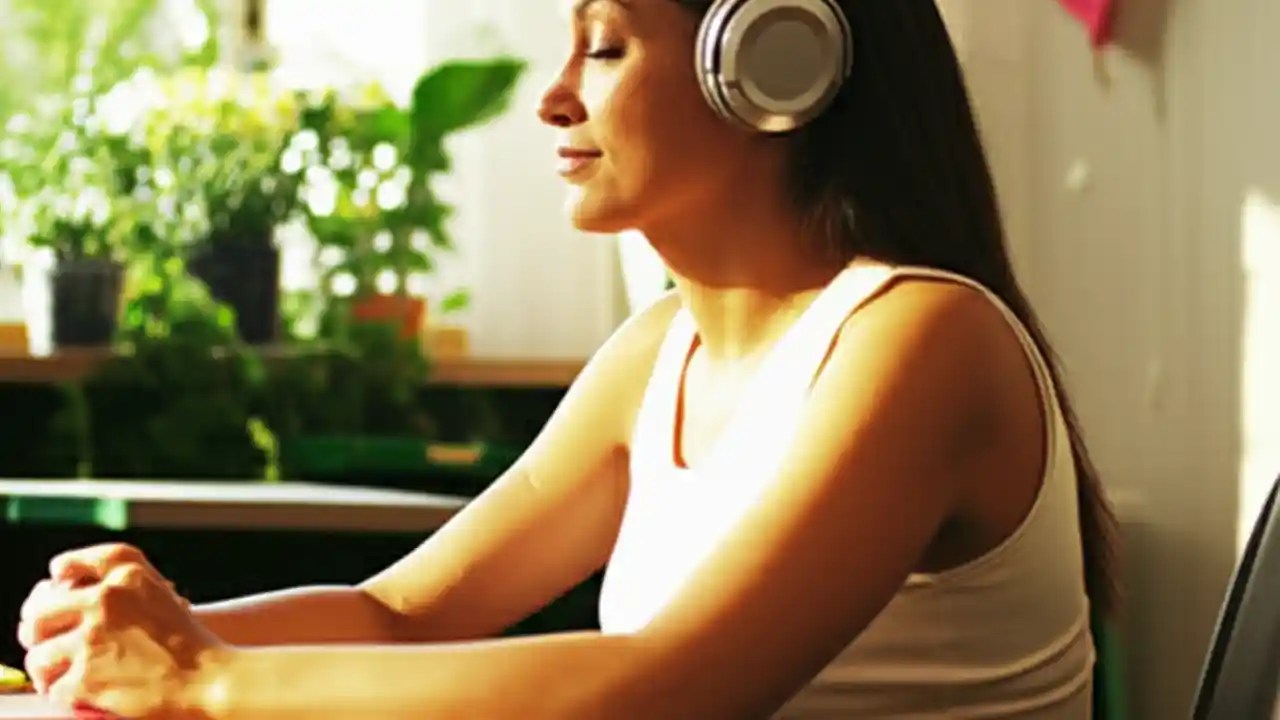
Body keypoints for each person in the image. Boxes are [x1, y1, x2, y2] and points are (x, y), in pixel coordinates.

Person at [16, 0, 1120, 717]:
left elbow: (668, 693)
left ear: (775, 63)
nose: (553, 96)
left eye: (601, 48)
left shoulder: (920, 340)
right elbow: (399, 615)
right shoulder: (656, 356)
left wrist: (206, 683)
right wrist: (150, 641)